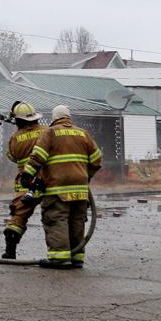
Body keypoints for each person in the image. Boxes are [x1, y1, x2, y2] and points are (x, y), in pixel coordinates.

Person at [24, 105, 101, 269]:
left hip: (57, 188)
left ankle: (59, 257)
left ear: (54, 118)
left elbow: (38, 156)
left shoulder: (50, 133)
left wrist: (27, 174)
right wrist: (86, 176)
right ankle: (77, 257)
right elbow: (97, 159)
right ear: (68, 117)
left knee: (56, 219)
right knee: (77, 221)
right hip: (80, 189)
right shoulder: (82, 133)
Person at [1, 102, 45, 259]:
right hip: (47, 180)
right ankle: (60, 253)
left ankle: (10, 250)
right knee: (55, 215)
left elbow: (12, 156)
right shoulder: (46, 132)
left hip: (25, 183)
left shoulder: (15, 138)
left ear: (18, 121)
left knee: (19, 214)